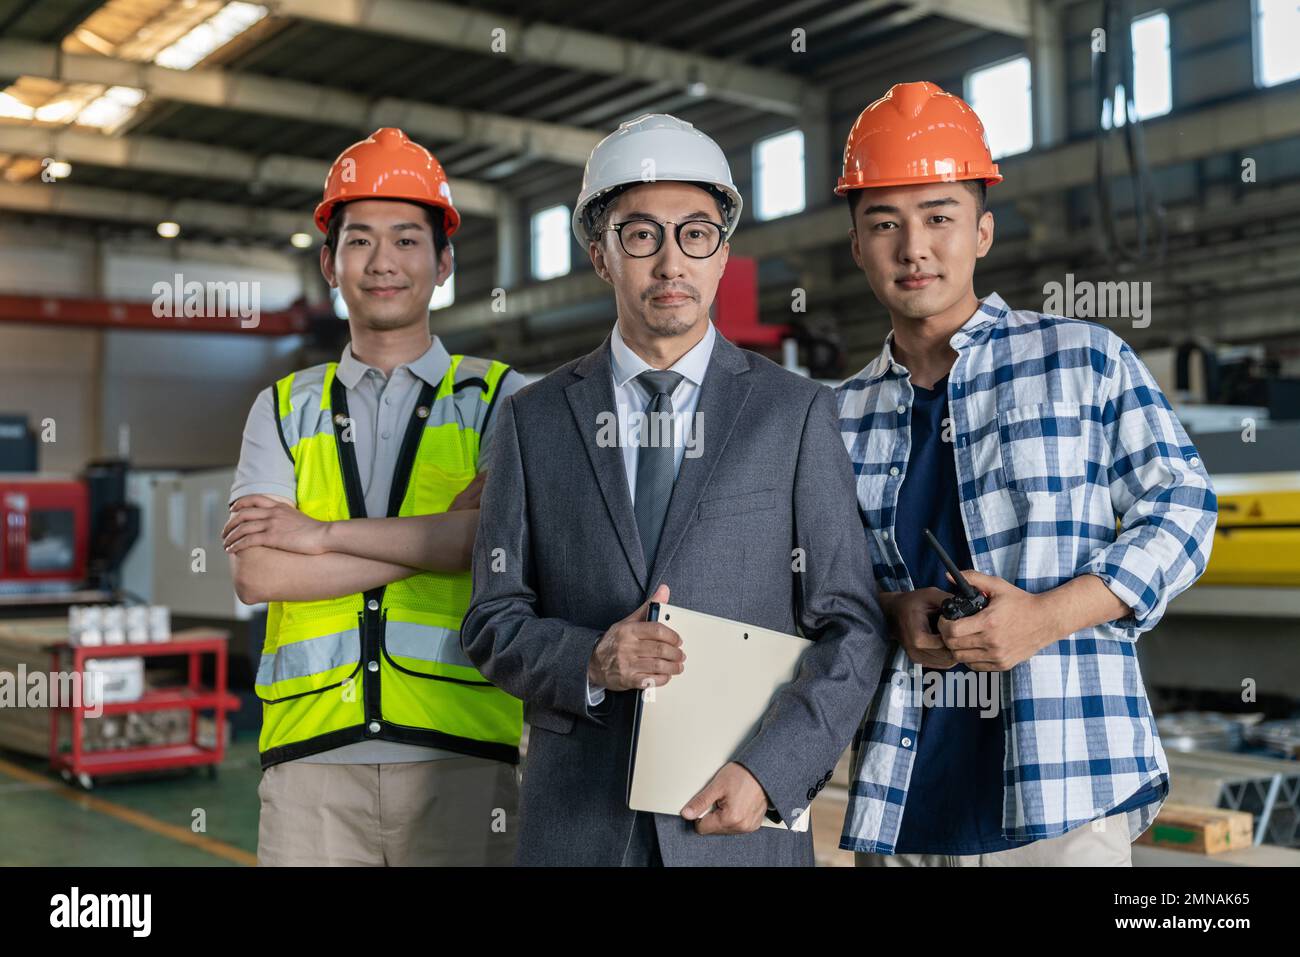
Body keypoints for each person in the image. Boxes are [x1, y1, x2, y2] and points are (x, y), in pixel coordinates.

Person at [461, 114, 888, 866]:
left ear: (723, 254)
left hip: (740, 827)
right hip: (580, 830)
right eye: (640, 234)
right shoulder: (535, 420)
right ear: (599, 253)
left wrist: (772, 772)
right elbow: (492, 620)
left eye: (696, 233)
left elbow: (851, 628)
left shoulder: (794, 414)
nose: (669, 263)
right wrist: (591, 659)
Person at [833, 82, 1218, 866]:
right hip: (902, 800)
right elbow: (810, 578)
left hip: (1064, 798)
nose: (914, 247)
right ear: (857, 247)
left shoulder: (1084, 360)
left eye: (939, 217)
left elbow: (1183, 508)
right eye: (885, 223)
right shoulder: (834, 417)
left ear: (982, 231)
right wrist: (889, 609)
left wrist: (1047, 616)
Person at [225, 127, 527, 866]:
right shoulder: (282, 407)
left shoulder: (502, 400)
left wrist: (321, 534)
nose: (383, 261)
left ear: (444, 261)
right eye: (359, 240)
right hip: (308, 767)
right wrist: (441, 540)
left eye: (406, 239)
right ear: (329, 263)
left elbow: (491, 546)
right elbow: (260, 574)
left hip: (462, 757)